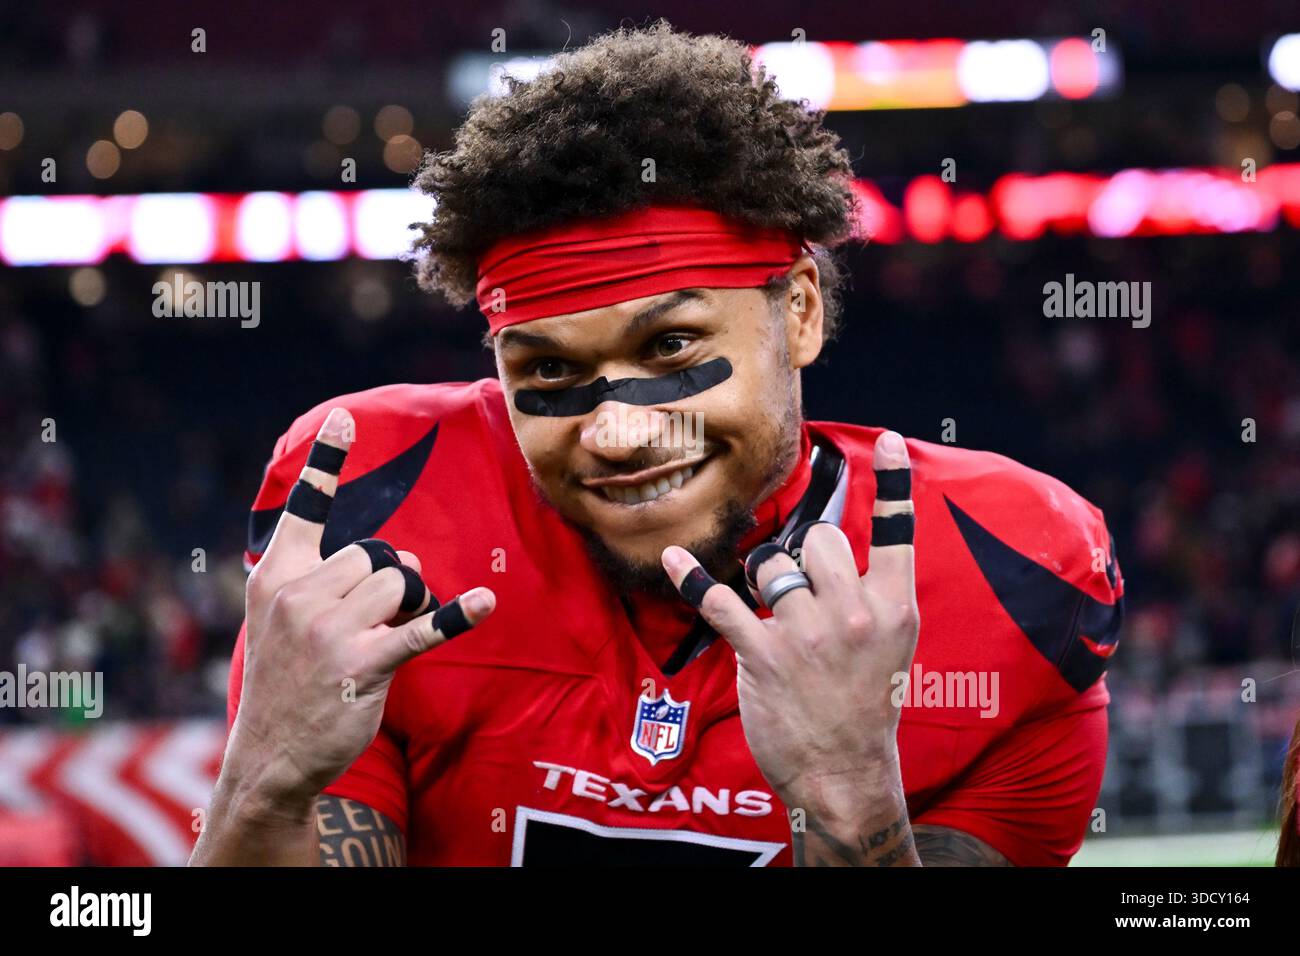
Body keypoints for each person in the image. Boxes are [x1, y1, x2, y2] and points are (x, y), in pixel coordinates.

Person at [191, 21, 1124, 867]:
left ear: (797, 313)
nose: (621, 432)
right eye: (548, 373)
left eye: (672, 346)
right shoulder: (374, 500)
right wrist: (259, 786)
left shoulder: (1014, 575)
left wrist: (850, 796)